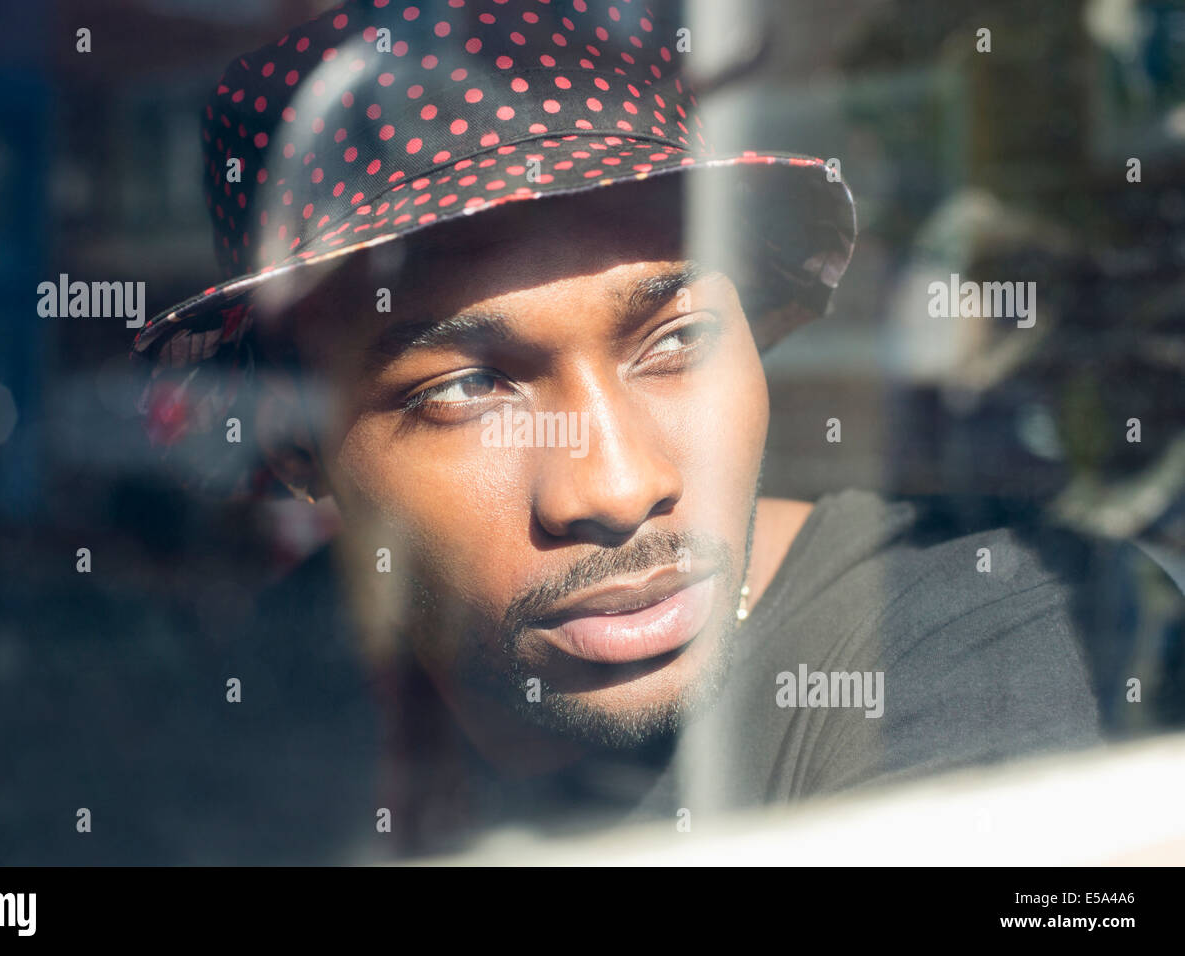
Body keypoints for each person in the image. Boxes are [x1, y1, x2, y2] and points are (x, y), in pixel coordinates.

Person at [130, 0, 1167, 860]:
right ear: (293, 440)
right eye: (466, 388)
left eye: (679, 338)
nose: (617, 487)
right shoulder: (277, 685)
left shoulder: (986, 640)